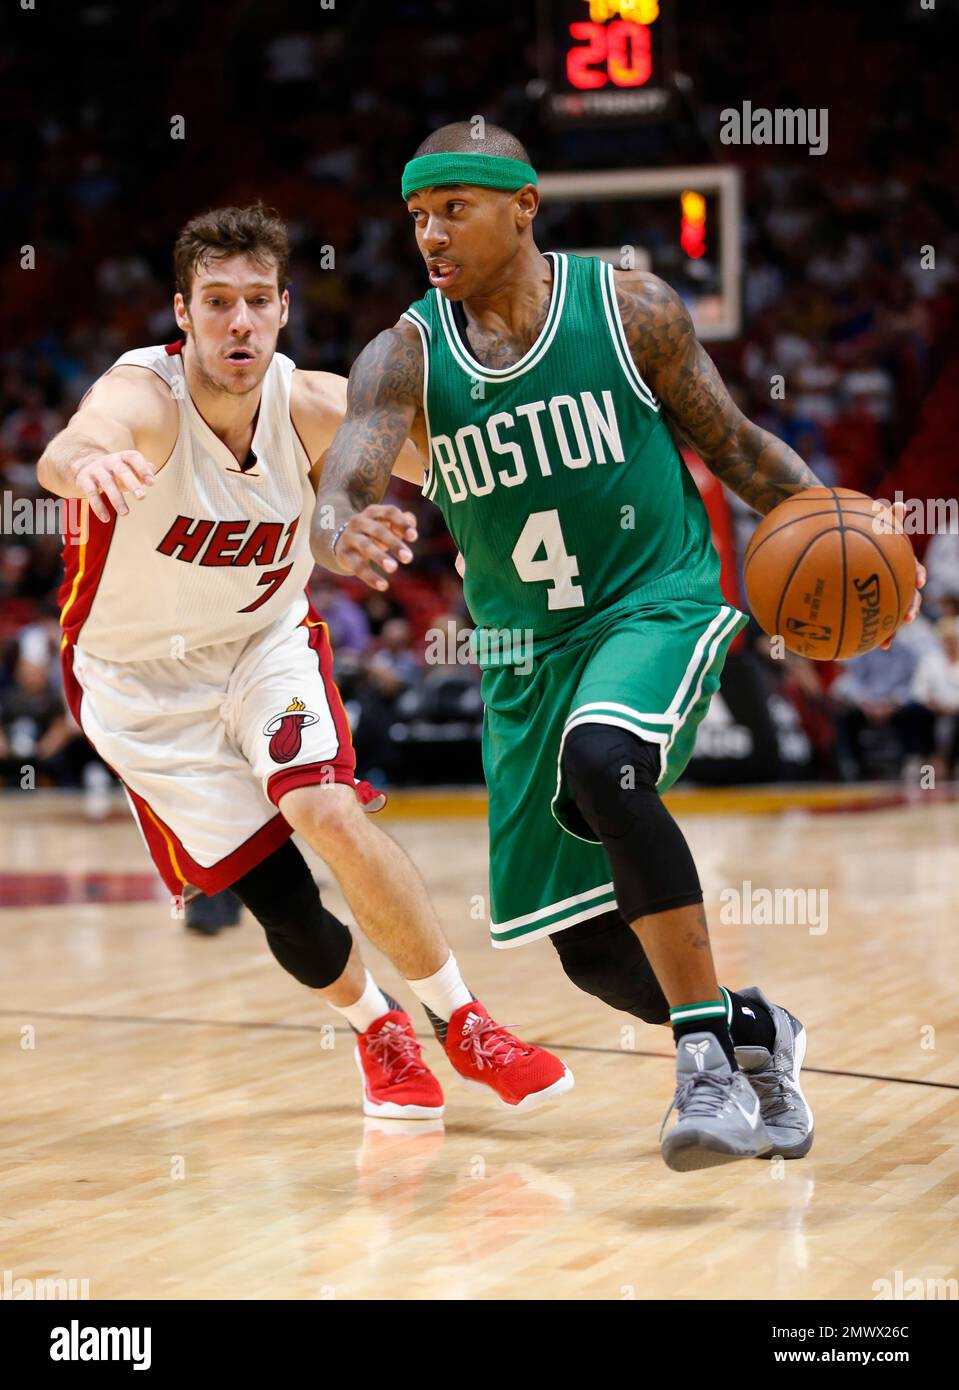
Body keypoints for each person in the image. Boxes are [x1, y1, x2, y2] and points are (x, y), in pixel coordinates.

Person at [313, 124, 924, 1171]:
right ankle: (748, 1028)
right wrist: (340, 528)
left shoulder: (626, 308)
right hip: (523, 655)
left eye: (452, 208)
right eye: (416, 216)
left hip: (655, 601)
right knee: (589, 954)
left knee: (605, 757)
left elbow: (732, 443)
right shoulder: (402, 354)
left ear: (523, 205)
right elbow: (345, 480)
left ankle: (703, 1069)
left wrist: (849, 531)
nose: (429, 234)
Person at [36, 201, 571, 1119]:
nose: (237, 322)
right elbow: (75, 440)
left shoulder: (316, 406)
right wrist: (86, 466)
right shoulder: (148, 404)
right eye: (215, 302)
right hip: (138, 686)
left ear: (284, 309)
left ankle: (464, 1022)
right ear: (181, 312)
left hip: (261, 645)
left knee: (325, 810)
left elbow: (471, 459)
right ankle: (378, 1029)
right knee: (283, 904)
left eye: (255, 301)